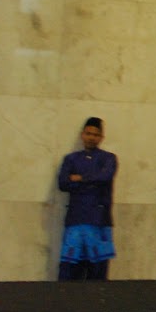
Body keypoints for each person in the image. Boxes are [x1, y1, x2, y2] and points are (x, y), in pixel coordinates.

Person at [56, 116, 117, 280]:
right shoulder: (70, 159)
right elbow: (63, 183)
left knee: (97, 272)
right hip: (76, 218)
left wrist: (80, 178)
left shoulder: (109, 158)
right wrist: (92, 182)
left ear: (101, 138)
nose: (91, 138)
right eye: (88, 134)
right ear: (82, 135)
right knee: (70, 271)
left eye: (95, 135)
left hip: (99, 219)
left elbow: (105, 177)